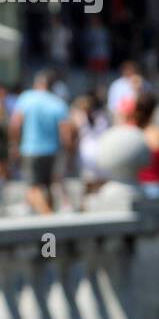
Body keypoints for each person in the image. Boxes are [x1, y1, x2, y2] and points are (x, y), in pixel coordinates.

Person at [10, 72, 72, 214]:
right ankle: (50, 225)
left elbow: (16, 124)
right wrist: (68, 153)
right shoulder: (58, 102)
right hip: (52, 150)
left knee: (33, 187)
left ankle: (47, 216)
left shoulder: (26, 98)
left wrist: (14, 144)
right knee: (48, 186)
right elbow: (65, 133)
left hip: (31, 148)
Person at [70, 92, 110, 205]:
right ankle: (93, 204)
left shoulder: (80, 117)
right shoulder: (102, 117)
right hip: (99, 152)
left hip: (87, 153)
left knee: (89, 182)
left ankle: (86, 205)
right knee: (99, 182)